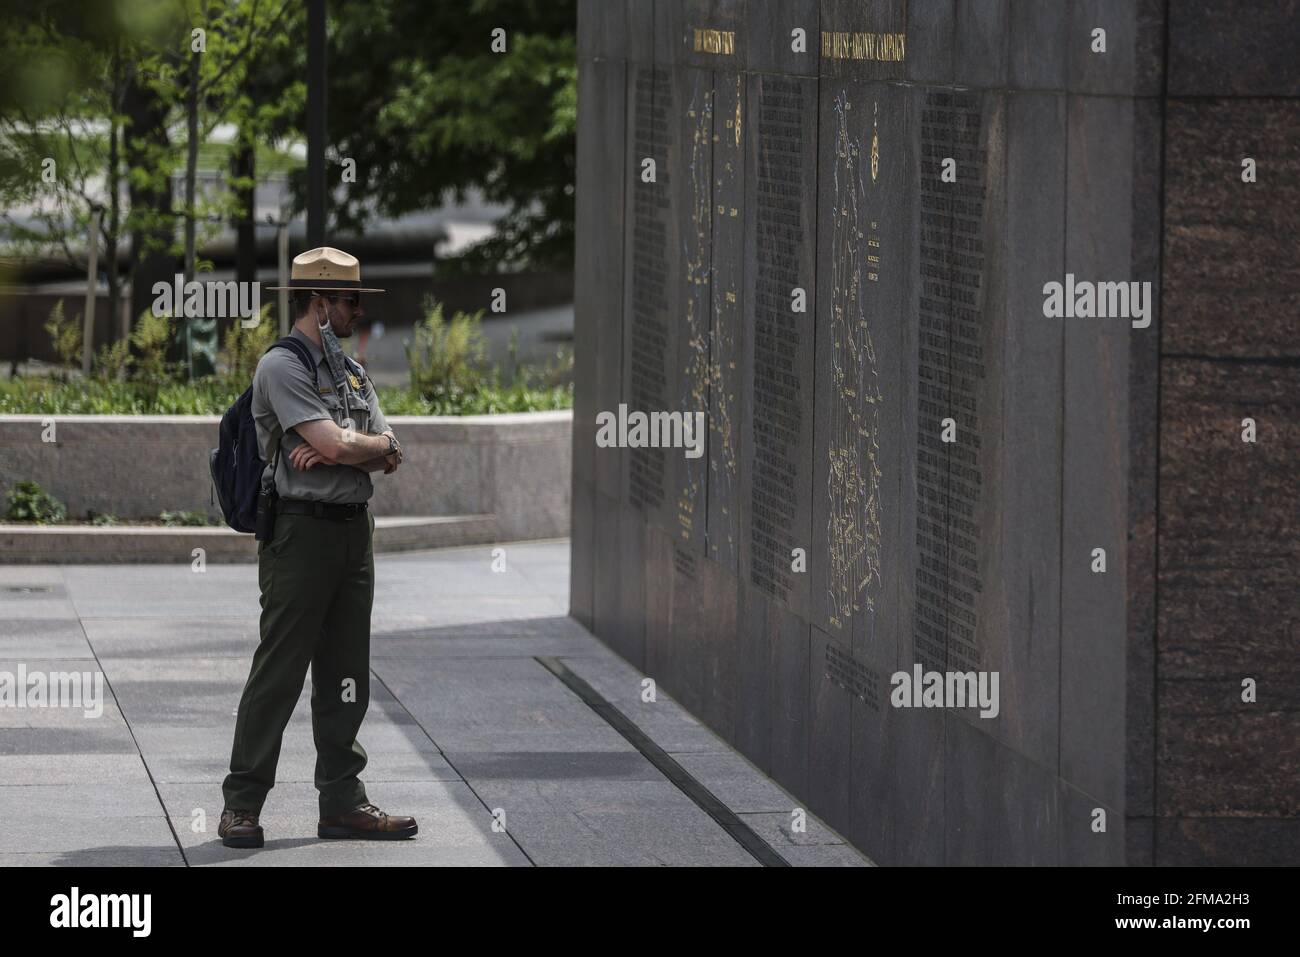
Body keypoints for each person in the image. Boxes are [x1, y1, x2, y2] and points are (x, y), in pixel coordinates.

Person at [218, 246, 416, 848]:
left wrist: (351, 445)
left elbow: (392, 451)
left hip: (354, 532)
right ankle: (242, 804)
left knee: (346, 671)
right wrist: (353, 446)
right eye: (350, 300)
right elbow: (344, 447)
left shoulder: (352, 371)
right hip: (300, 533)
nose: (357, 311)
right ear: (319, 303)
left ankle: (343, 802)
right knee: (279, 669)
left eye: (358, 300)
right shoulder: (282, 367)